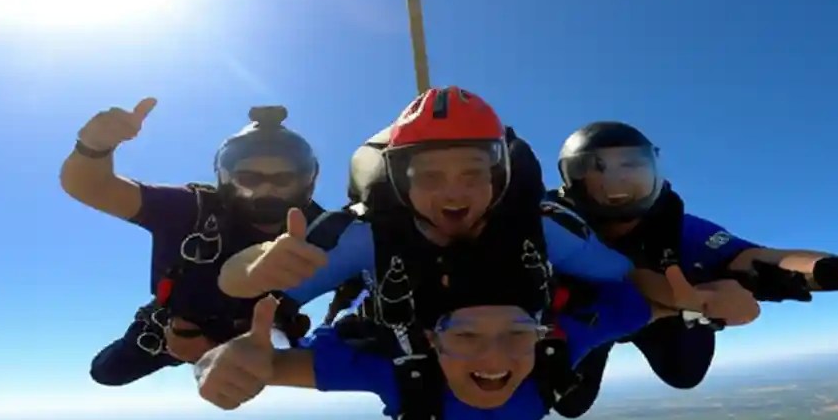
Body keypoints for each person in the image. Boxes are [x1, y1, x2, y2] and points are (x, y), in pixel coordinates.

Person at [549, 121, 838, 413]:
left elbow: (759, 259)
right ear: (575, 181)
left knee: (685, 373)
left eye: (632, 168)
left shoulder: (677, 228)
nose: (618, 183)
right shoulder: (550, 228)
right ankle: (600, 339)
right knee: (569, 402)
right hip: (589, 316)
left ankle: (623, 327)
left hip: (674, 311)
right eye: (600, 170)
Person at [216, 87, 653, 330]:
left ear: (499, 177)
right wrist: (248, 270)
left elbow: (624, 276)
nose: (452, 194)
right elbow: (258, 297)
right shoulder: (364, 234)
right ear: (400, 182)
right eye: (429, 176)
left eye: (472, 173)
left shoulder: (543, 229)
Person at [195, 258, 675, 420]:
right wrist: (220, 364)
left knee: (585, 366)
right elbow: (261, 365)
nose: (492, 360)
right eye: (465, 337)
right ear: (431, 341)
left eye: (514, 334)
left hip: (567, 346)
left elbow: (647, 303)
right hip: (551, 359)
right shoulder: (391, 366)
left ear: (541, 331)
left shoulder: (562, 341)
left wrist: (706, 303)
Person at [60, 99, 324, 386]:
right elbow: (91, 187)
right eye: (249, 178)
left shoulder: (324, 229)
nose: (266, 190)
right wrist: (93, 148)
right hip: (177, 328)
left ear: (305, 181)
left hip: (256, 333)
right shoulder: (192, 209)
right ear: (227, 179)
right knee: (107, 372)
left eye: (283, 179)